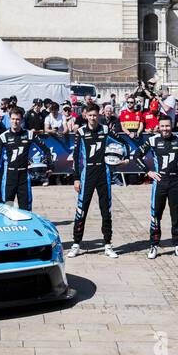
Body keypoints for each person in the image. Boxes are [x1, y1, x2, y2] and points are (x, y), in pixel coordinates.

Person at [139, 116, 178, 260]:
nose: (165, 129)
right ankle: (154, 245)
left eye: (167, 126)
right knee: (156, 216)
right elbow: (137, 155)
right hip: (159, 183)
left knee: (176, 216)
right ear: (159, 126)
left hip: (175, 182)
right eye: (162, 126)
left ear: (172, 125)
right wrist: (147, 171)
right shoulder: (153, 140)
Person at [68, 104, 125, 258]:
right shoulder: (80, 132)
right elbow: (75, 157)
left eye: (95, 115)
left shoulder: (105, 130)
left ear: (99, 116)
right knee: (81, 210)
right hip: (87, 175)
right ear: (86, 116)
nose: (93, 118)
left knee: (105, 210)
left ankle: (108, 244)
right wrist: (76, 178)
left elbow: (123, 143)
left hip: (103, 174)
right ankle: (76, 244)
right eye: (90, 115)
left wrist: (123, 158)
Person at [0, 106, 50, 210]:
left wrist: (49, 166)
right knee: (7, 208)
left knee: (26, 208)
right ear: (9, 119)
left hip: (24, 176)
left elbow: (46, 150)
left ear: (22, 120)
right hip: (9, 176)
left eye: (18, 119)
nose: (15, 121)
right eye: (13, 119)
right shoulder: (3, 137)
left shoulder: (29, 134)